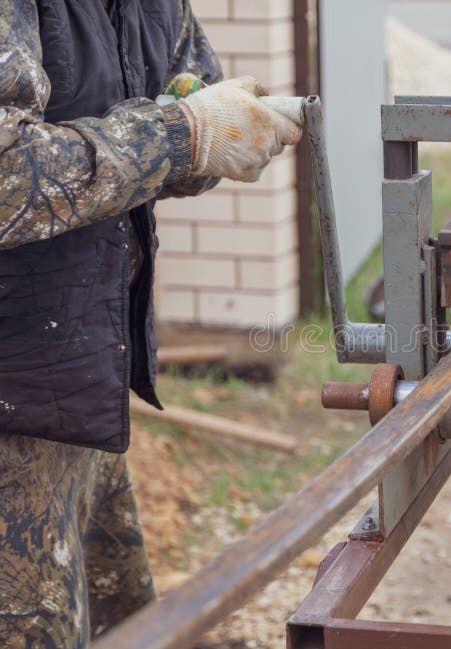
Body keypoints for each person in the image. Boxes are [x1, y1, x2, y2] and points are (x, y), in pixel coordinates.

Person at [0, 1, 300, 646]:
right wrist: (177, 135)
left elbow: (183, 106)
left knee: (103, 619)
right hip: (11, 397)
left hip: (74, 373)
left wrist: (214, 127)